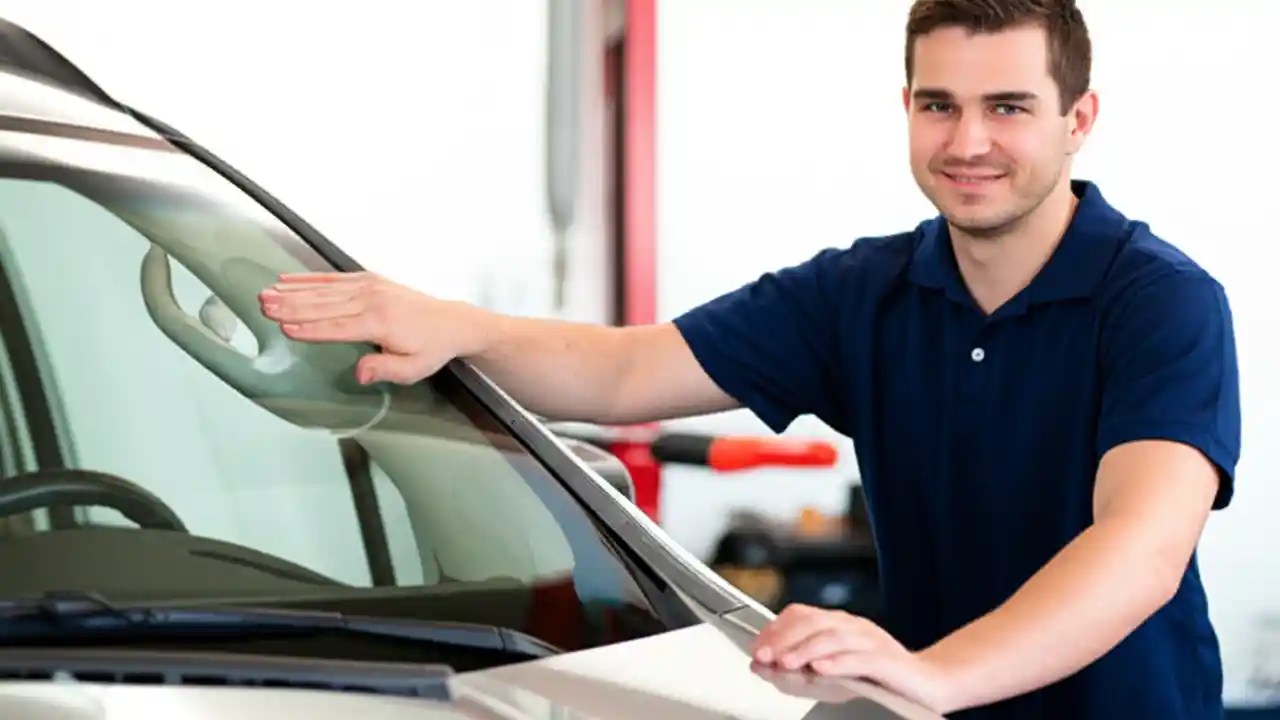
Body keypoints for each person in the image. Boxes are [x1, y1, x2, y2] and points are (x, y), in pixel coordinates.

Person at [258, 0, 1240, 717]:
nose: (968, 140)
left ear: (1078, 118)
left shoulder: (1158, 302)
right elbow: (624, 373)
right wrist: (458, 326)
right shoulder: (861, 291)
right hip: (912, 710)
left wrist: (937, 670)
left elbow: (1140, 550)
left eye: (1008, 107)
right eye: (937, 104)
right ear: (904, 106)